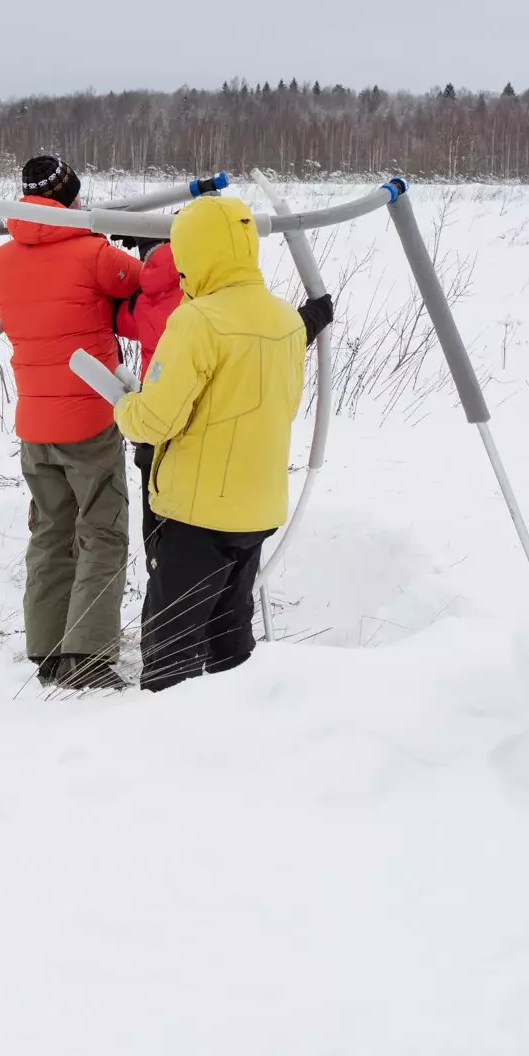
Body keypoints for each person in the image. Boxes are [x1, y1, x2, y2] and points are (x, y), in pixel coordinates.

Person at [112, 194, 333, 692]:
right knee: (231, 638)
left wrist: (125, 406)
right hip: (259, 508)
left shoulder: (197, 321)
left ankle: (168, 740)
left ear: (193, 251)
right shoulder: (285, 320)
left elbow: (156, 419)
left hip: (197, 512)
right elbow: (285, 406)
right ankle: (235, 732)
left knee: (173, 646)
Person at [0, 155, 142, 689]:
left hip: (34, 421)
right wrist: (130, 242)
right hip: (89, 420)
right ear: (71, 196)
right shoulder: (94, 253)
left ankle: (47, 648)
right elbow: (144, 281)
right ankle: (91, 657)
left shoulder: (0, 262)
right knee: (102, 532)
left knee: (50, 533)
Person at [113, 239, 183, 564]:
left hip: (150, 419)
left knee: (156, 533)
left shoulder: (141, 301)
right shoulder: (198, 296)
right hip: (191, 427)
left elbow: (117, 320)